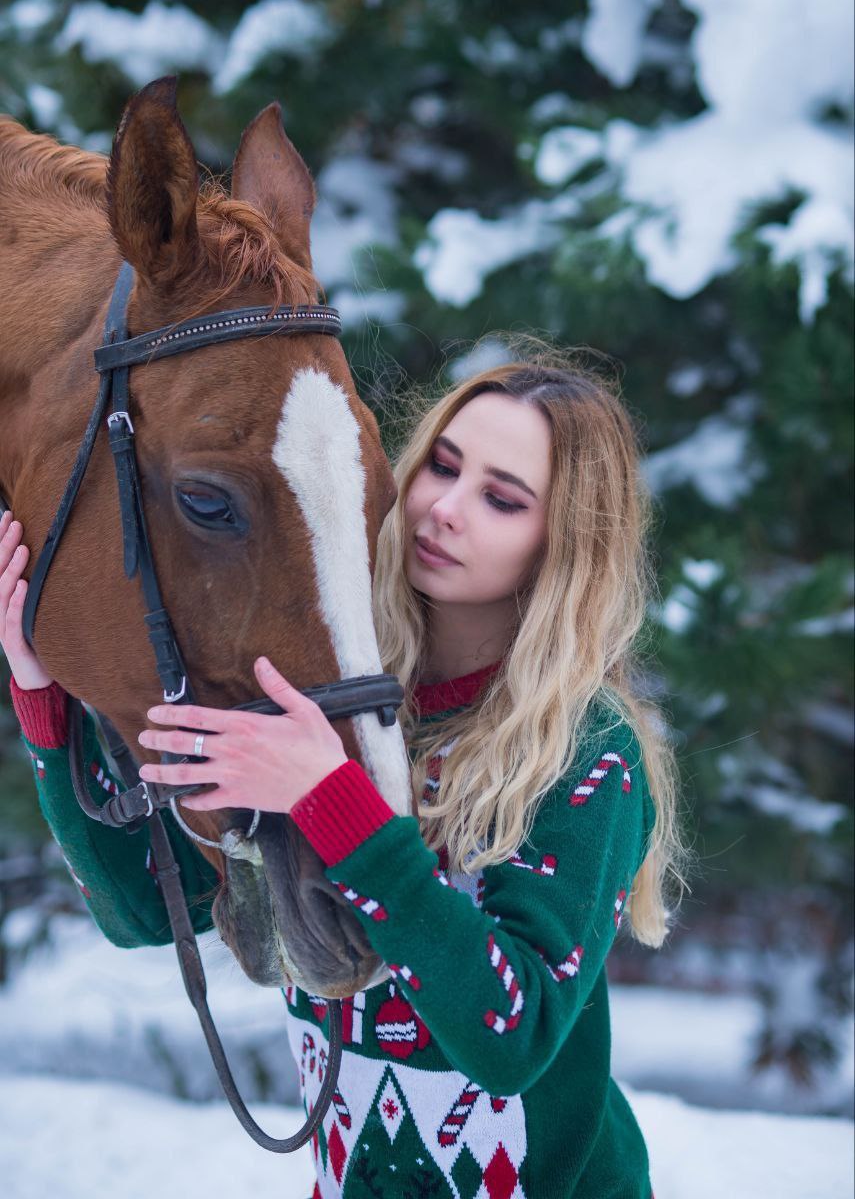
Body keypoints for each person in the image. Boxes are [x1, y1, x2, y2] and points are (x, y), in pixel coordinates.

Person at [1, 352, 686, 1198]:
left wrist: (335, 804)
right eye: (442, 464)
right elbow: (146, 907)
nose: (444, 507)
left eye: (501, 499)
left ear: (566, 545)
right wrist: (46, 700)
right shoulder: (332, 700)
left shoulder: (585, 750)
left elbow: (512, 1036)